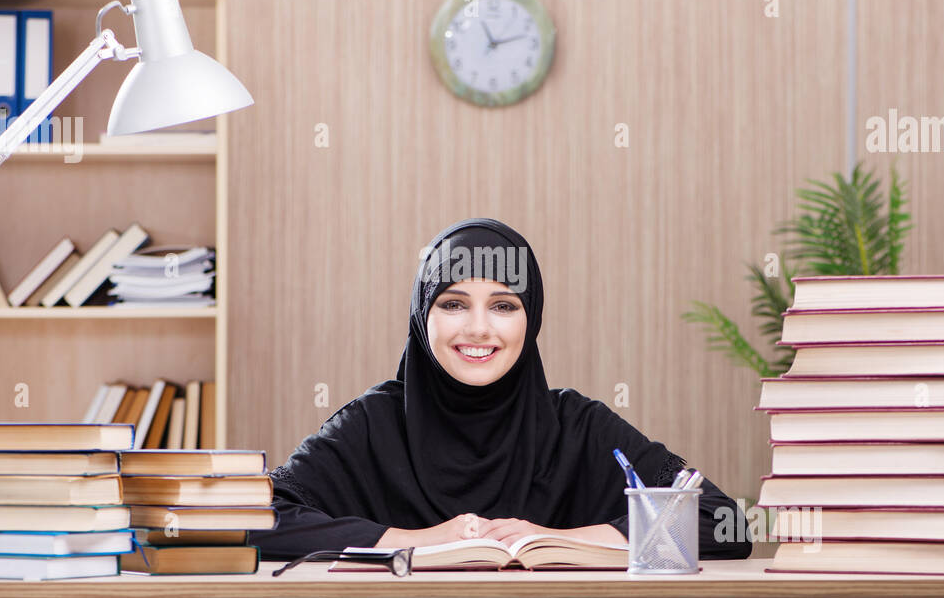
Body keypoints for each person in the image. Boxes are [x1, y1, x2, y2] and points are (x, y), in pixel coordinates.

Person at [246, 218, 751, 560]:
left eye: (504, 306)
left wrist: (558, 540)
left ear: (530, 321)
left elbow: (722, 521)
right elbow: (252, 519)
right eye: (453, 303)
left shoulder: (575, 425)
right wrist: (418, 544)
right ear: (424, 318)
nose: (479, 329)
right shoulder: (373, 423)